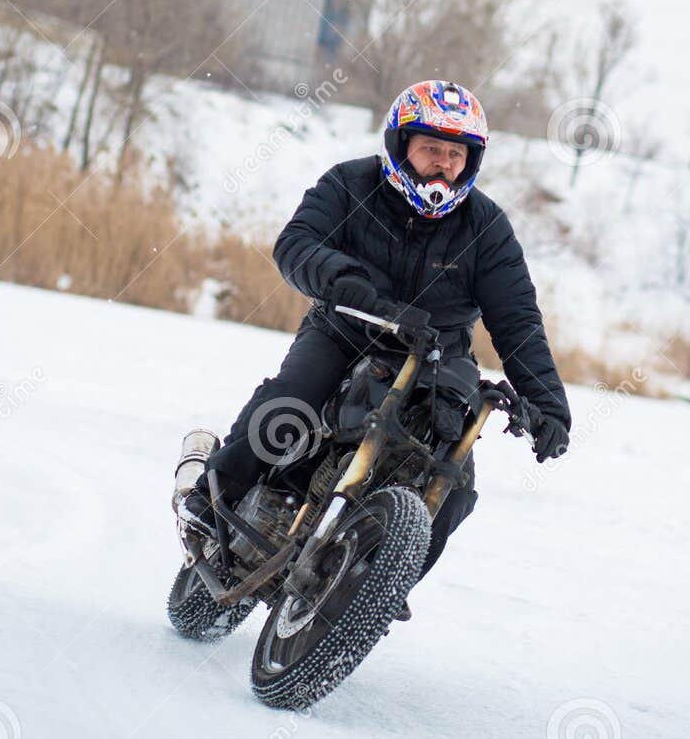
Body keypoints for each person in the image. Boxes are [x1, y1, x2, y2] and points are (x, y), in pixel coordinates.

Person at [181, 79, 571, 593]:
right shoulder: (349, 184)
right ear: (400, 145)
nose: (443, 164)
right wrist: (350, 284)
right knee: (293, 399)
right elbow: (296, 243)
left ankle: (373, 591)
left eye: (456, 154)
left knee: (453, 481)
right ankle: (211, 502)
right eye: (431, 148)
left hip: (437, 356)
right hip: (346, 328)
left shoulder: (486, 228)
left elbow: (518, 319)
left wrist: (548, 405)